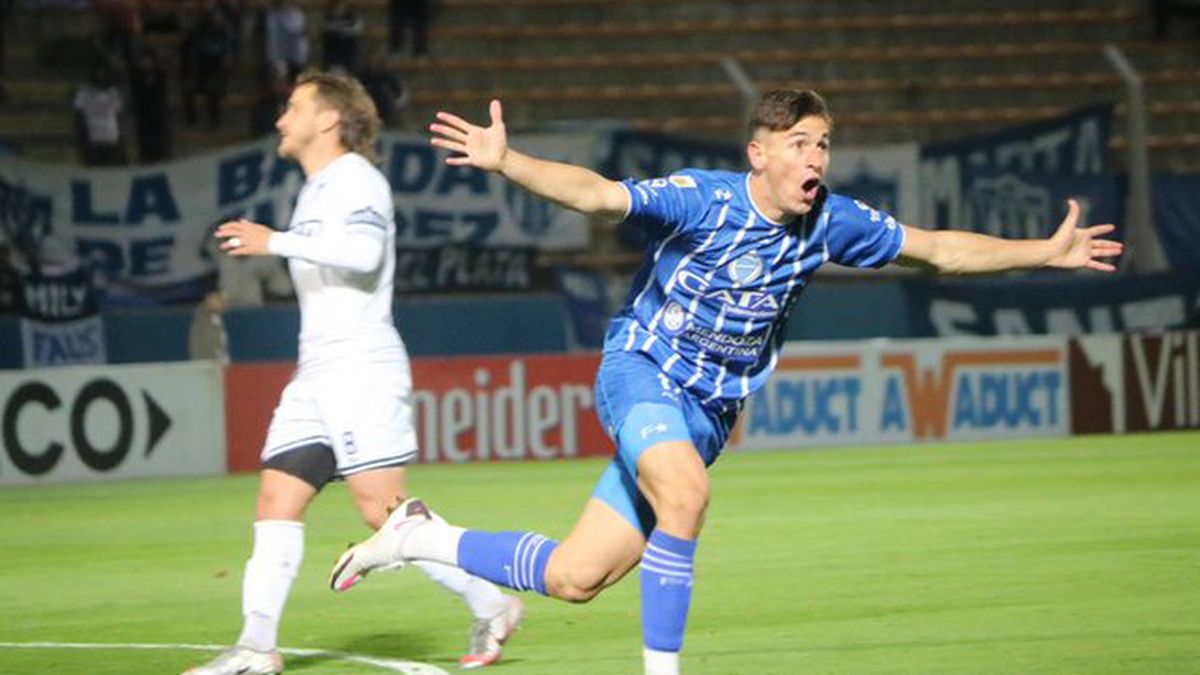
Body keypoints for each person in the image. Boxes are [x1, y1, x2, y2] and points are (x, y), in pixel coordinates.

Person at [328, 89, 1125, 675]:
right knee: (687, 499)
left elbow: (940, 249)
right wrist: (510, 162)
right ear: (761, 153)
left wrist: (1041, 252)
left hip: (706, 415)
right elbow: (600, 194)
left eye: (824, 144)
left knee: (577, 575)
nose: (817, 157)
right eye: (802, 142)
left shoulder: (830, 222)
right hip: (642, 372)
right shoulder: (701, 200)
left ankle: (420, 535)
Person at [182, 71, 524, 675]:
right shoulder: (316, 189)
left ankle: (493, 602)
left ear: (328, 119)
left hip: (361, 365)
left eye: (294, 107)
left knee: (384, 512)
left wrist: (277, 242)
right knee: (276, 498)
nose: (281, 118)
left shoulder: (357, 181)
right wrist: (281, 241)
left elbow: (364, 257)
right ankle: (257, 647)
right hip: (317, 372)